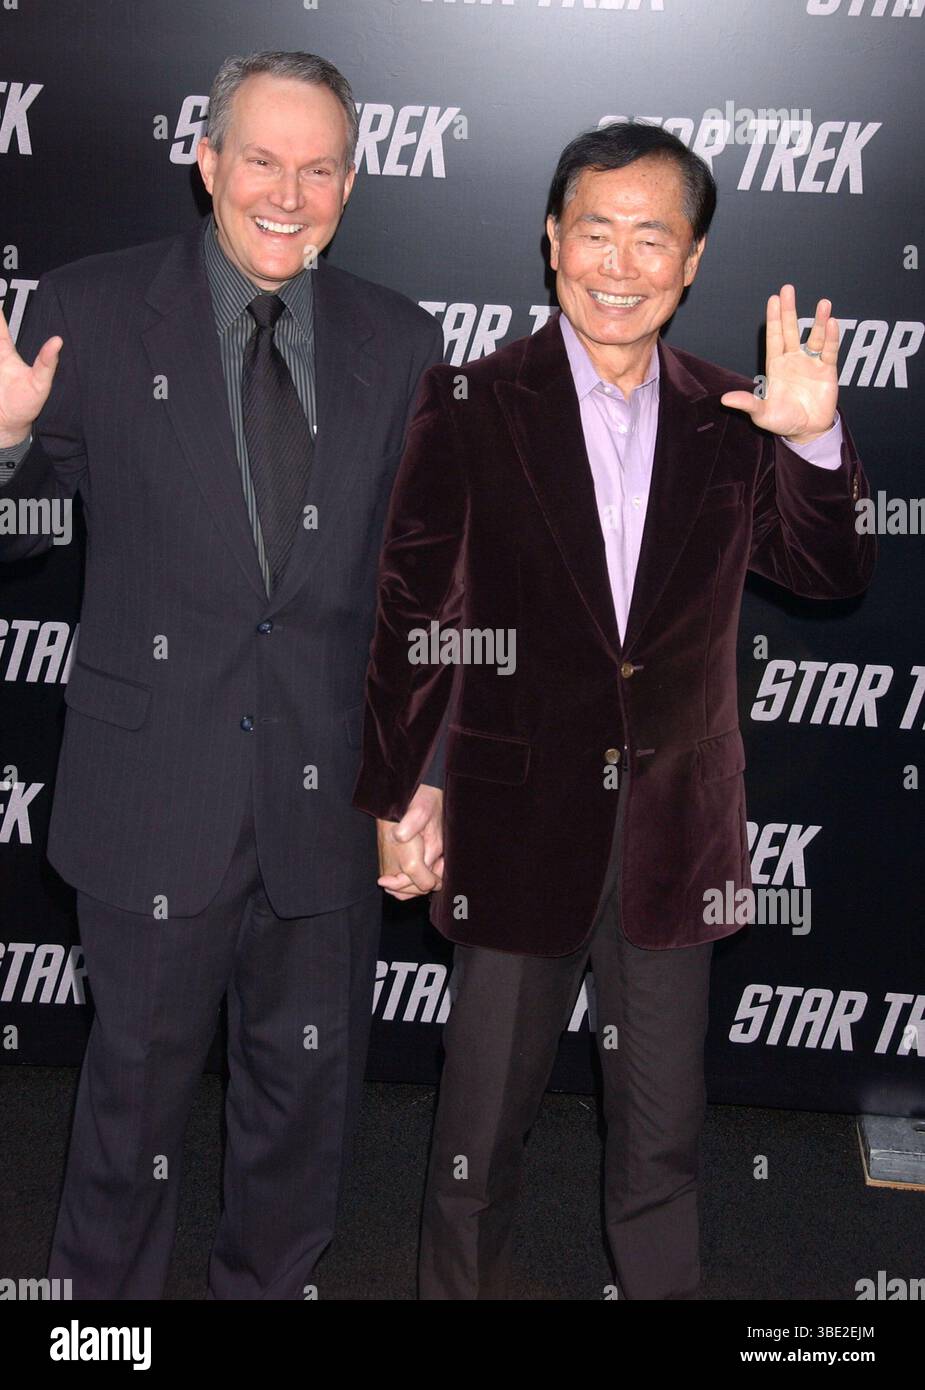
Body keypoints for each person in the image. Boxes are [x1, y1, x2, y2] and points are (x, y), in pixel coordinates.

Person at [352, 121, 875, 1300]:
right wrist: (403, 788)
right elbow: (416, 607)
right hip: (511, 822)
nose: (621, 264)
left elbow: (832, 575)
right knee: (477, 1145)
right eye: (597, 232)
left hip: (675, 836)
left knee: (661, 1146)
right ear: (552, 243)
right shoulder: (472, 400)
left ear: (692, 263)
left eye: (654, 239)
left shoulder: (733, 415)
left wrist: (814, 440)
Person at [0, 49, 444, 1300]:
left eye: (318, 169)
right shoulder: (86, 310)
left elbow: (431, 586)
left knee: (301, 1126)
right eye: (260, 158)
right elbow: (18, 529)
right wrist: (5, 444)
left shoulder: (400, 340)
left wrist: (427, 778)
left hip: (328, 808)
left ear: (349, 188)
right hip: (150, 799)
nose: (287, 193)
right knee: (121, 1127)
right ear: (206, 165)